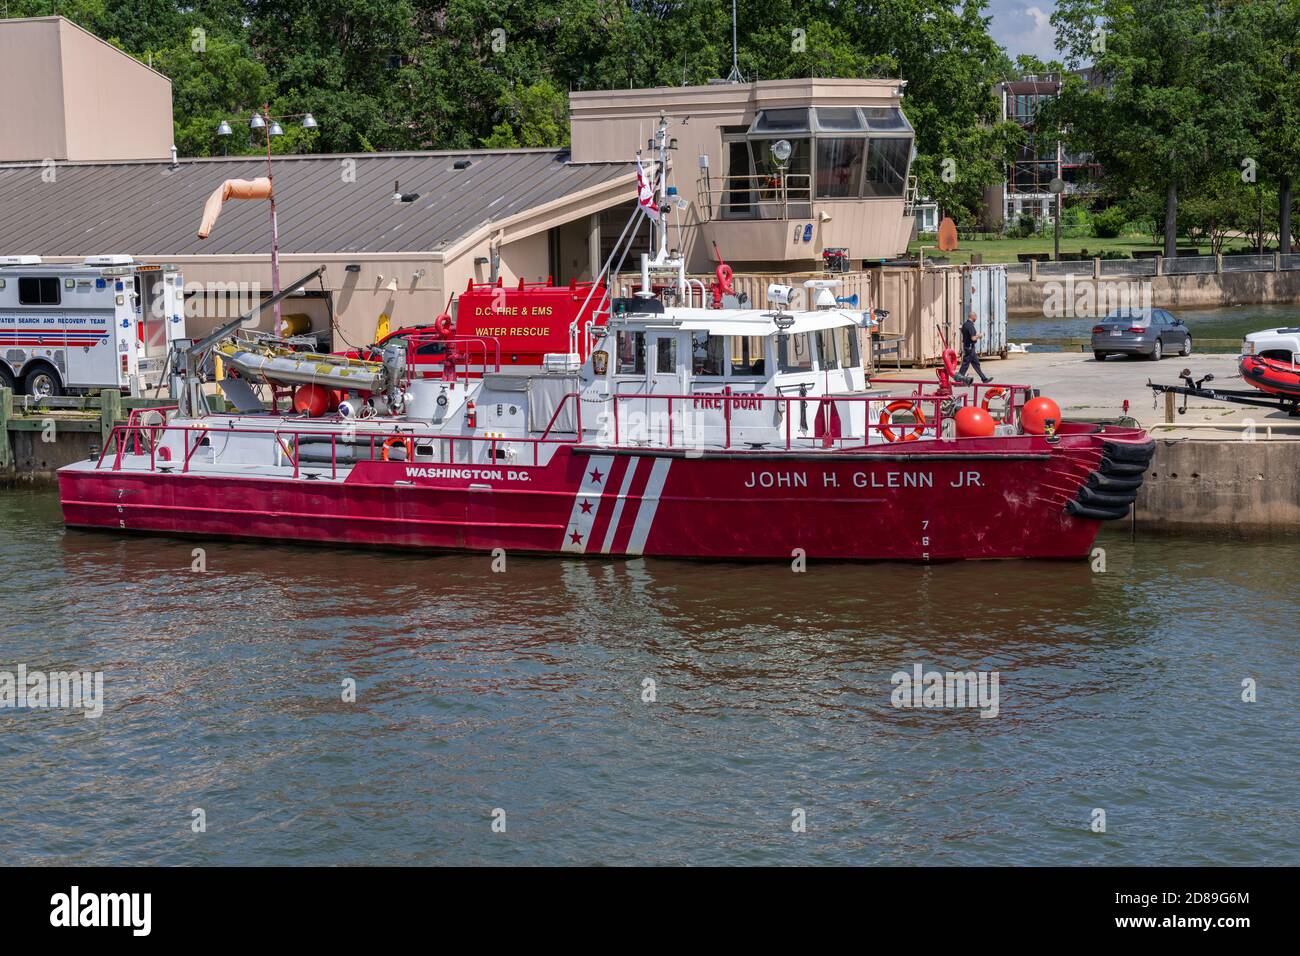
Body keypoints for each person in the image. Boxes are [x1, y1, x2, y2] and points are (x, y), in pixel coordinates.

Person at [957, 311, 993, 385]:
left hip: (968, 346)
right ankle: (959, 380)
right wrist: (979, 336)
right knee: (965, 364)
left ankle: (984, 378)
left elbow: (964, 333)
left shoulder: (965, 325)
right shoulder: (970, 326)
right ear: (972, 317)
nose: (976, 318)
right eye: (975, 317)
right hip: (970, 347)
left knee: (976, 363)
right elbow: (973, 338)